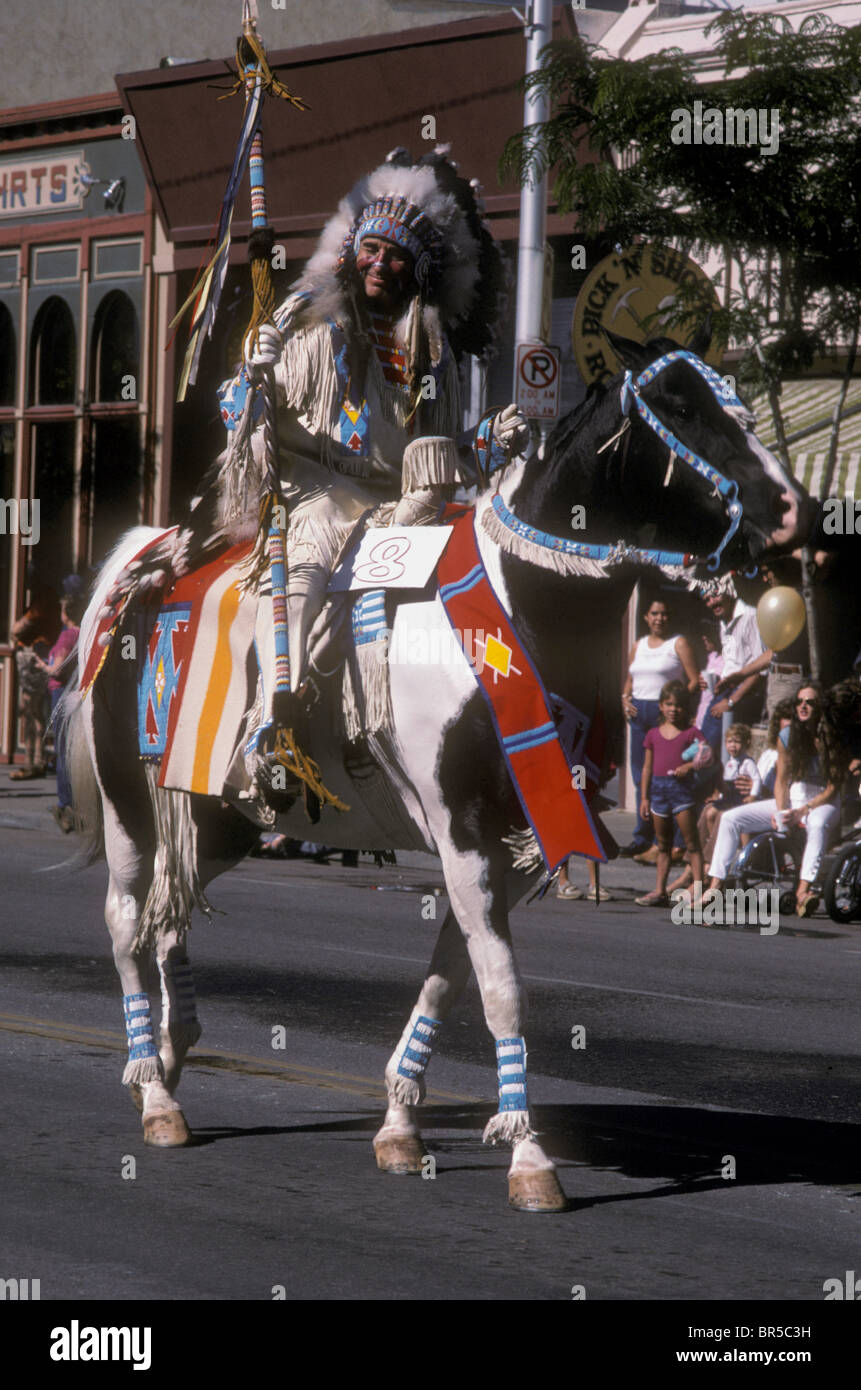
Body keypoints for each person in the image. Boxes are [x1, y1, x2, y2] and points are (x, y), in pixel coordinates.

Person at [123, 148, 526, 788]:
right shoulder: (311, 330)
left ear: (417, 272)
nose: (381, 265)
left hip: (396, 503)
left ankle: (404, 725)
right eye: (373, 250)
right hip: (312, 491)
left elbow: (439, 457)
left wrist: (491, 440)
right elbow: (241, 417)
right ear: (351, 252)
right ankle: (269, 717)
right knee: (304, 563)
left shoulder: (433, 357)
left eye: (397, 257)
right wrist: (253, 375)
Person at [706, 682, 841, 916]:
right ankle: (714, 887)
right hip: (793, 796)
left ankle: (802, 892)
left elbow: (833, 787)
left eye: (809, 702)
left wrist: (804, 810)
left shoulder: (832, 736)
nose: (803, 706)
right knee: (730, 818)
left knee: (817, 824)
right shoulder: (788, 735)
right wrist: (781, 812)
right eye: (800, 702)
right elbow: (781, 780)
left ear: (820, 706)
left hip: (822, 800)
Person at [620, 597, 699, 861]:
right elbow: (630, 678)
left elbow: (694, 681)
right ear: (645, 617)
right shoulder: (638, 645)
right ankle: (641, 837)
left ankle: (662, 840)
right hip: (638, 714)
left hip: (662, 713)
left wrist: (672, 706)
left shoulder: (678, 643)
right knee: (639, 774)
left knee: (663, 777)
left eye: (664, 614)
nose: (659, 618)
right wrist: (625, 698)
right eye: (654, 613)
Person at [634, 680, 706, 908]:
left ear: (686, 708)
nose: (673, 709)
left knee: (691, 843)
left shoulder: (691, 733)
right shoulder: (653, 734)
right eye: (669, 704)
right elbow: (646, 767)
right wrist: (644, 798)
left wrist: (690, 766)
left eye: (678, 705)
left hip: (681, 791)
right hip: (658, 791)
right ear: (661, 706)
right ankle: (659, 891)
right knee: (663, 845)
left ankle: (699, 890)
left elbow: (706, 755)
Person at [718, 558, 809, 719]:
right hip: (778, 676)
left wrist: (743, 673)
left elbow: (776, 651)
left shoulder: (796, 600)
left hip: (788, 677)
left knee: (781, 732)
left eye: (767, 572)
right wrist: (741, 674)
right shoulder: (787, 599)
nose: (765, 578)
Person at [700, 577, 766, 758]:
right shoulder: (723, 623)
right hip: (726, 690)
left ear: (728, 591)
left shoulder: (750, 617)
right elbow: (732, 663)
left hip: (744, 695)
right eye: (707, 600)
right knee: (703, 745)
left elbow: (760, 668)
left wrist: (730, 702)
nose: (712, 603)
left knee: (711, 752)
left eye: (715, 596)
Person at [33, 594, 82, 830]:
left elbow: (57, 668)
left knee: (63, 750)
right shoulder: (83, 633)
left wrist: (43, 665)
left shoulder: (67, 635)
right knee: (72, 750)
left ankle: (66, 804)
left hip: (61, 693)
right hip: (75, 692)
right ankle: (76, 803)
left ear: (66, 614)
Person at [10, 615, 51, 779]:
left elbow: (15, 630)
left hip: (33, 659)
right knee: (33, 713)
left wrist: (20, 630)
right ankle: (34, 759)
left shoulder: (40, 605)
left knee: (31, 713)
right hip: (36, 657)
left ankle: (34, 760)